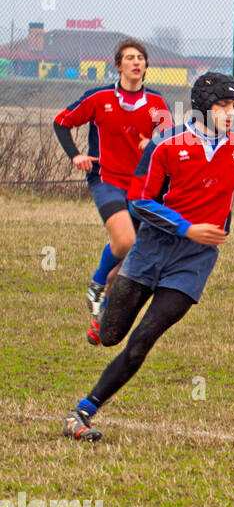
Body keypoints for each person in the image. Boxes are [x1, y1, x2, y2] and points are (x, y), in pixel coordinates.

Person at [62, 72, 234, 442]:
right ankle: (107, 301)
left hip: (194, 261)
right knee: (112, 336)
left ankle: (82, 412)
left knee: (143, 340)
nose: (230, 113)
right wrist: (186, 227)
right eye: (222, 106)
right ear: (203, 107)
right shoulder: (166, 143)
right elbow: (140, 201)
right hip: (152, 248)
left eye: (233, 106)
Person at [53, 39, 173, 322]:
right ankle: (96, 286)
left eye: (141, 58)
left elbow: (169, 139)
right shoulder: (99, 98)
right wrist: (76, 156)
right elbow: (61, 122)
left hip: (143, 188)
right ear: (118, 65)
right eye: (130, 58)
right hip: (107, 181)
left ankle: (102, 310)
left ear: (145, 66)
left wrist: (154, 143)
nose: (136, 62)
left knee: (132, 257)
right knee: (125, 241)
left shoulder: (156, 103)